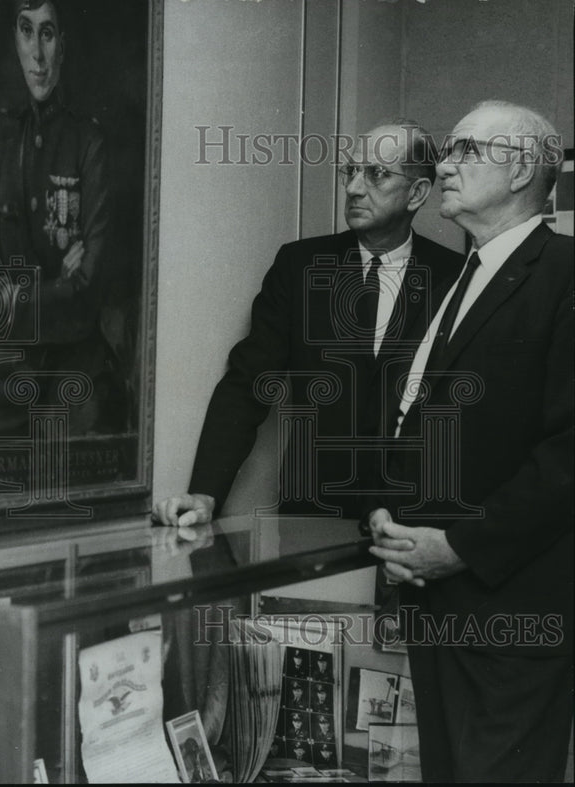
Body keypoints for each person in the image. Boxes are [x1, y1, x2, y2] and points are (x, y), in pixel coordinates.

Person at [364, 101, 573, 782]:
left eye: (463, 151)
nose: (444, 165)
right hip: (437, 607)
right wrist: (393, 515)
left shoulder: (565, 274)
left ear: (518, 171)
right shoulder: (468, 277)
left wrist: (457, 547)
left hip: (510, 616)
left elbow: (566, 455)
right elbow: (421, 419)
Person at [152, 120, 461, 529]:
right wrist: (205, 491)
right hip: (314, 517)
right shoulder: (299, 266)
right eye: (350, 171)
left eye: (376, 174)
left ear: (417, 193)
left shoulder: (455, 276)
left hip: (419, 522)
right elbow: (247, 382)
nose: (353, 188)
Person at [0, 0, 125, 436]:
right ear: (15, 41)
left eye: (48, 33)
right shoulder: (0, 139)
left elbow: (89, 280)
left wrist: (14, 295)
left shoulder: (88, 142)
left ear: (63, 46)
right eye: (27, 31)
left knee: (88, 432)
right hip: (8, 362)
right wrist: (56, 282)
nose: (37, 56)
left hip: (74, 362)